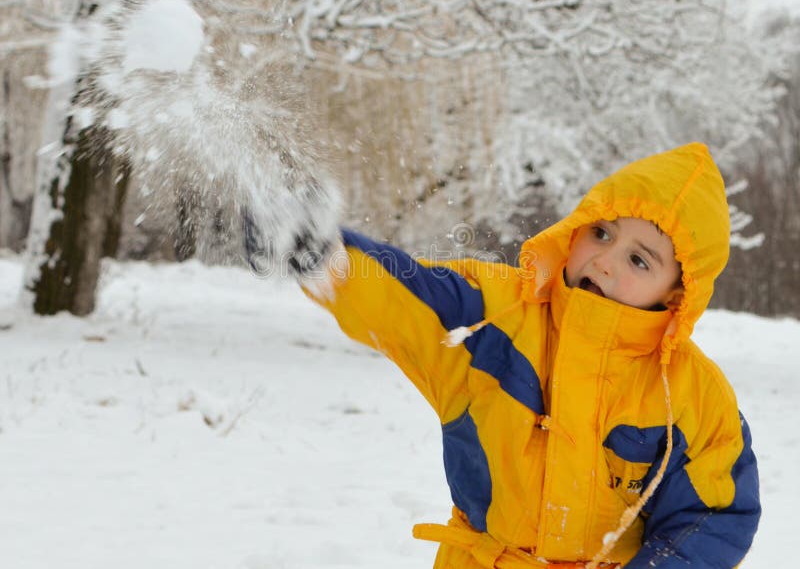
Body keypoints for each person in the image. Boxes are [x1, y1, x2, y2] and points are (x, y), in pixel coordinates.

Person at [245, 142, 760, 568]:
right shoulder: (497, 317)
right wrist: (328, 258)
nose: (604, 260)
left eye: (638, 259)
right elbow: (413, 299)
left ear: (677, 293)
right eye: (601, 232)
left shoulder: (693, 397)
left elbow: (714, 514)